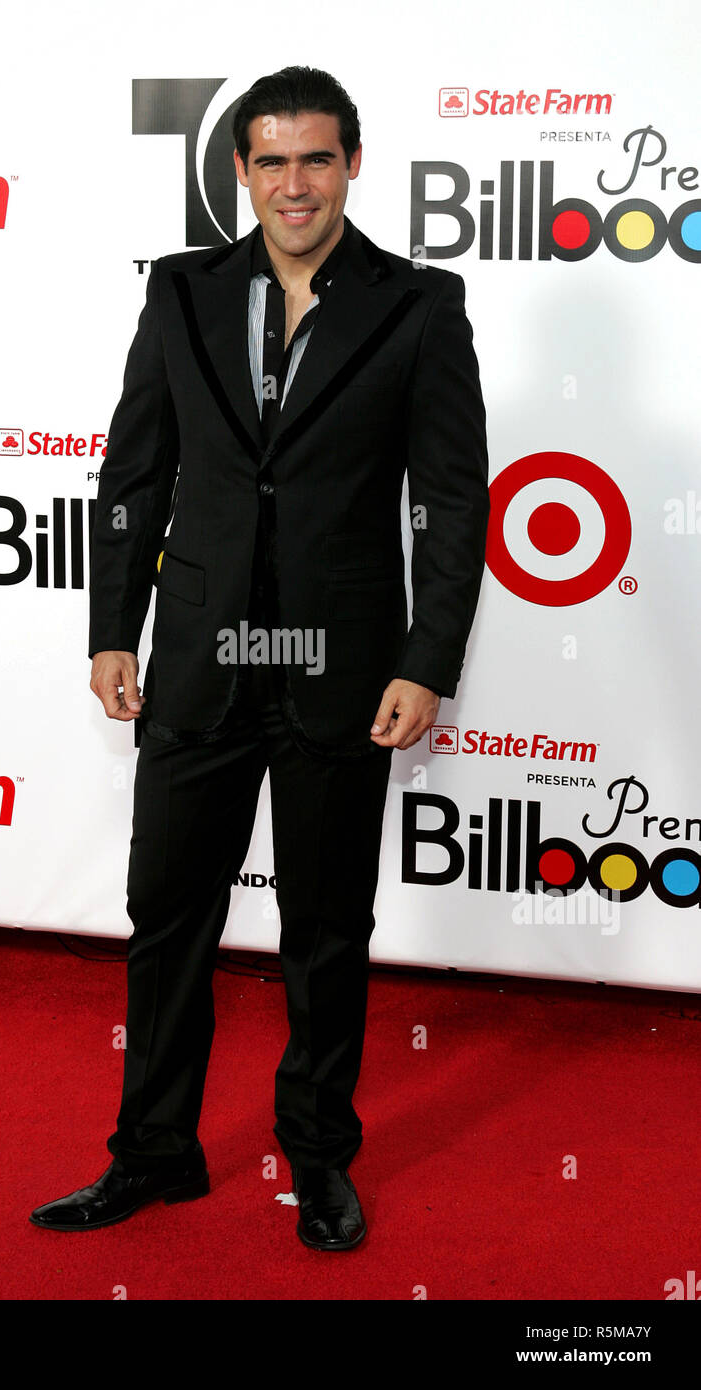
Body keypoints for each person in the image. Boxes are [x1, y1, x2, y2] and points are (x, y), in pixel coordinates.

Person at [30, 65, 490, 1251]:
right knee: (166, 916)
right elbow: (132, 473)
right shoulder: (179, 294)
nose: (294, 182)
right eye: (271, 159)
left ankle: (320, 1159)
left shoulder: (418, 305)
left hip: (343, 665)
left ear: (351, 165)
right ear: (239, 169)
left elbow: (447, 499)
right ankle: (152, 1155)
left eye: (316, 158)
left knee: (325, 929)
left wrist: (426, 657)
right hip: (197, 658)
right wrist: (109, 629)